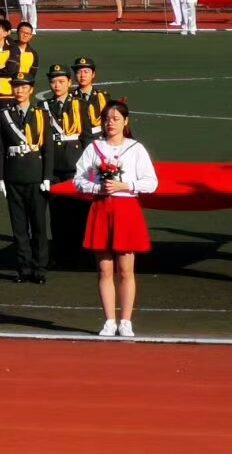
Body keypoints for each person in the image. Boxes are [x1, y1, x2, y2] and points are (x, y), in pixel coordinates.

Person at [72, 102, 158, 338]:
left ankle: (126, 321)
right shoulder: (95, 148)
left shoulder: (136, 149)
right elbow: (78, 179)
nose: (111, 123)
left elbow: (151, 183)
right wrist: (96, 188)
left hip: (126, 208)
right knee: (104, 269)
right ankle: (110, 320)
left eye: (116, 118)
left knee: (126, 270)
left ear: (125, 121)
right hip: (101, 208)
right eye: (107, 119)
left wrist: (125, 185)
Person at [0, 76, 51, 284]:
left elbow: (48, 148)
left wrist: (46, 175)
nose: (19, 91)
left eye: (24, 87)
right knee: (19, 227)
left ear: (31, 90)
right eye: (16, 87)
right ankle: (23, 267)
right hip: (13, 176)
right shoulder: (5, 115)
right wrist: (1, 177)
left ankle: (39, 267)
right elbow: (0, 148)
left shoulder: (41, 114)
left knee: (38, 226)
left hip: (36, 176)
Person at [43, 64, 89, 270]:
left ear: (70, 83)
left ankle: (79, 253)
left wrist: (90, 166)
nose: (56, 85)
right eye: (53, 81)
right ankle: (60, 254)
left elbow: (87, 136)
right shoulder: (44, 106)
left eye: (61, 81)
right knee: (56, 213)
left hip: (74, 164)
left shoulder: (80, 105)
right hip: (53, 166)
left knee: (79, 213)